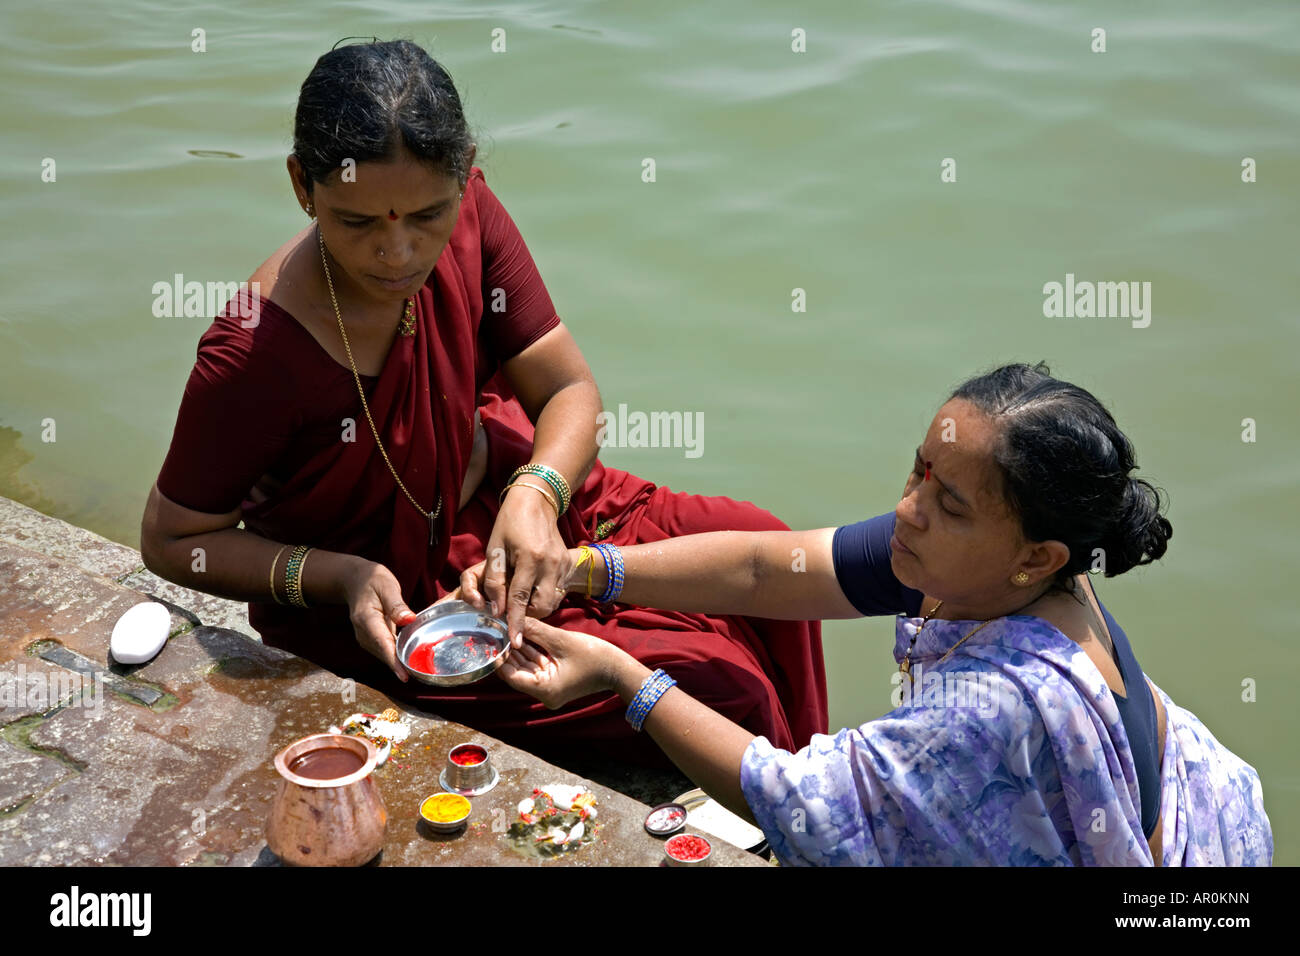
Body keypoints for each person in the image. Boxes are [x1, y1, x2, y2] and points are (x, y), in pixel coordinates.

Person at [139, 38, 826, 765]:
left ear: (463, 178)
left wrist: (536, 493)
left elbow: (567, 389)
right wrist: (342, 577)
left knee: (769, 557)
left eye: (426, 217)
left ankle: (830, 795)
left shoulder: (473, 214)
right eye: (358, 222)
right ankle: (795, 819)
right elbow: (175, 540)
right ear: (302, 187)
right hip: (402, 610)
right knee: (716, 686)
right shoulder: (253, 354)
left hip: (511, 506)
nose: (397, 253)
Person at [470, 363, 1274, 865]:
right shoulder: (1007, 574)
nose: (908, 509)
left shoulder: (990, 704)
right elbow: (763, 571)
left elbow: (793, 796)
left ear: (1039, 555)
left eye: (948, 503)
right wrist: (581, 570)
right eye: (918, 471)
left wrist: (622, 675)